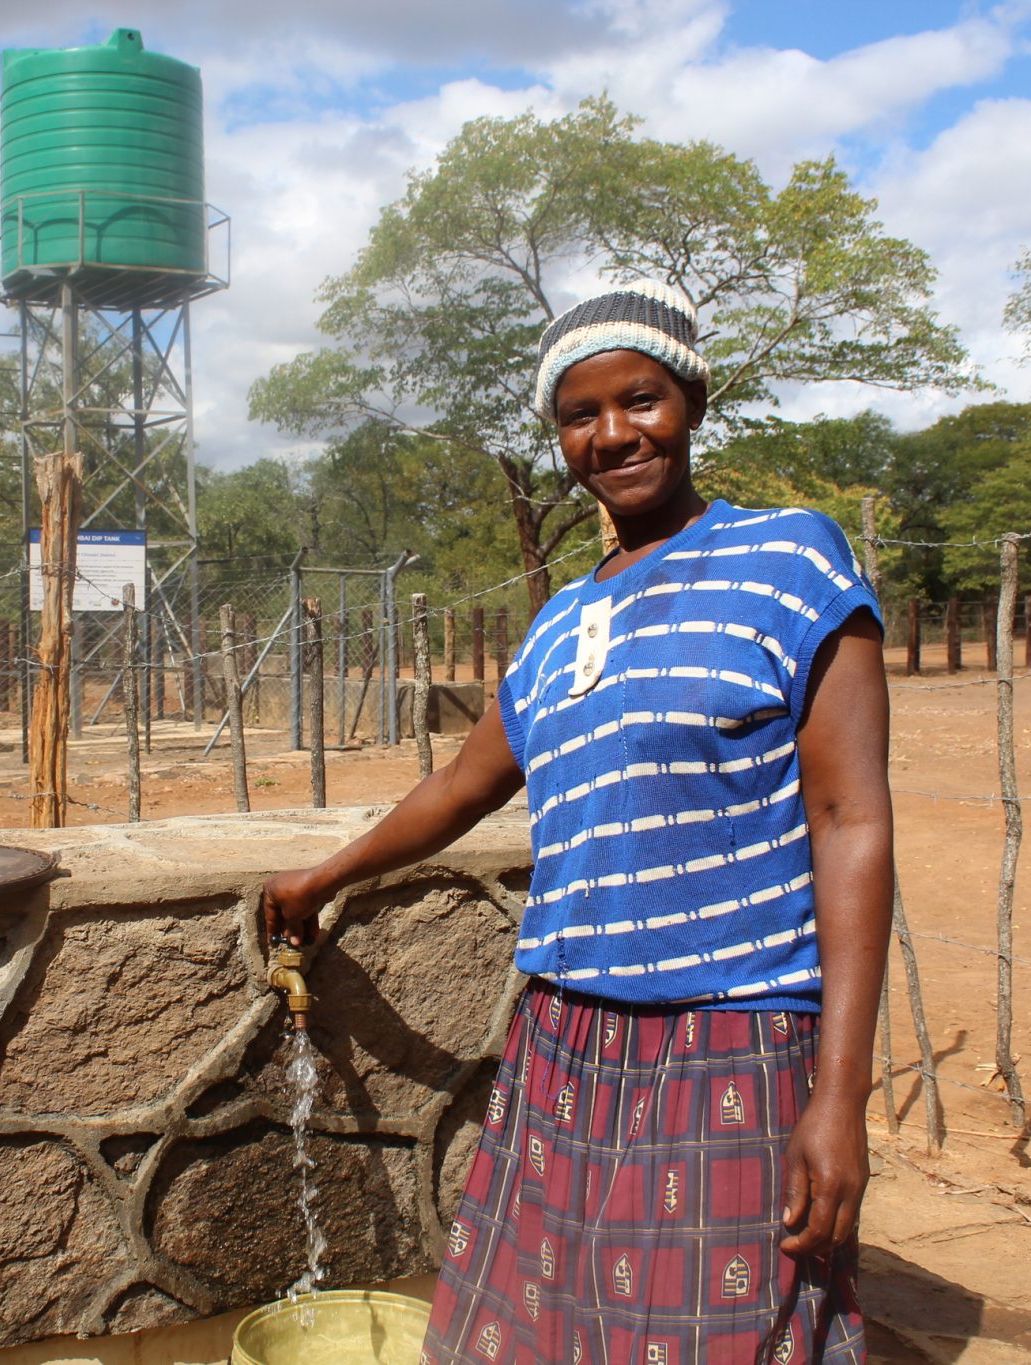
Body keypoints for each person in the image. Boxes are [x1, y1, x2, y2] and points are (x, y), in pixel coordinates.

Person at [260, 280, 890, 1364]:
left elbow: (849, 821)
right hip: (566, 1037)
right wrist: (323, 877)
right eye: (579, 415)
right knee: (545, 1335)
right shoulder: (563, 623)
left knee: (709, 1334)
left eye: (640, 400)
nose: (613, 435)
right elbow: (461, 787)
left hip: (730, 1031)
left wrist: (840, 1096)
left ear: (690, 403)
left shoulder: (789, 562)